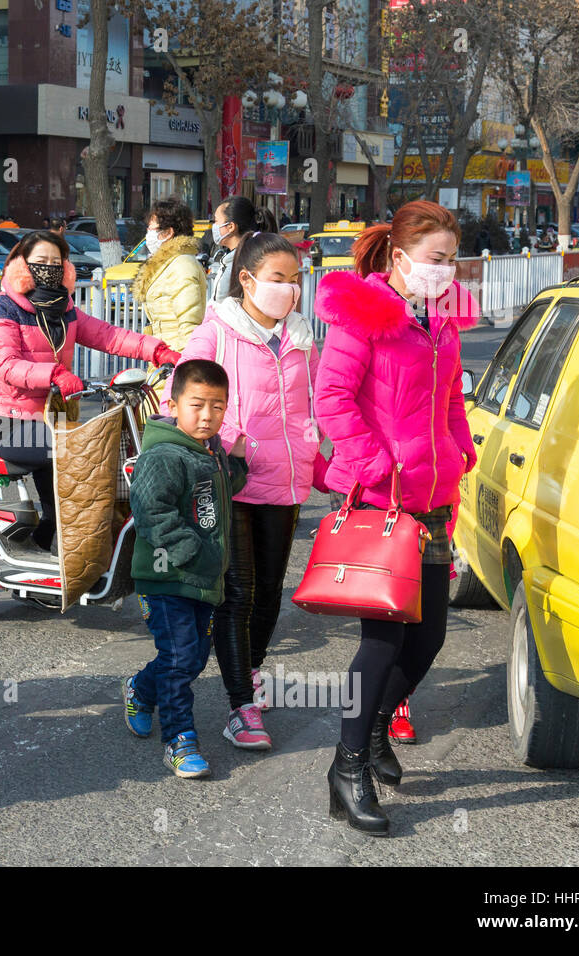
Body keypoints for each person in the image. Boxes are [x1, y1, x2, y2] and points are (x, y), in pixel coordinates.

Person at [313, 199, 478, 835]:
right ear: (402, 258)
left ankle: (377, 727)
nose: (446, 271)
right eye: (437, 260)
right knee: (381, 642)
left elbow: (452, 397)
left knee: (429, 635)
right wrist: (374, 464)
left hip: (434, 496)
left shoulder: (441, 321)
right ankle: (346, 768)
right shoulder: (365, 317)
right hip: (383, 500)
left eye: (452, 260)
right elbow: (330, 398)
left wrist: (460, 448)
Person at [165, 231, 326, 750]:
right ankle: (241, 708)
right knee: (236, 594)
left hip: (286, 481)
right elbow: (183, 395)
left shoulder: (302, 336)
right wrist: (223, 443)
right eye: (278, 279)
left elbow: (319, 406)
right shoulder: (218, 329)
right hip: (226, 479)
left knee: (268, 595)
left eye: (296, 281)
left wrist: (332, 465)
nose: (289, 291)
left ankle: (250, 672)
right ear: (248, 280)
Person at [0, 230, 179, 551]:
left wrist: (157, 350)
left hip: (53, 418)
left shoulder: (65, 308)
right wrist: (54, 374)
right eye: (40, 262)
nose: (49, 268)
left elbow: (108, 335)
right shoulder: (3, 308)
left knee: (81, 475)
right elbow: (6, 365)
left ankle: (50, 546)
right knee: (85, 453)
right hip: (9, 423)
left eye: (56, 262)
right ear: (21, 265)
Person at [123, 359, 248, 778]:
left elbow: (217, 496)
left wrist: (237, 466)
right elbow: (149, 510)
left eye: (218, 406)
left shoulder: (209, 452)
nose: (208, 415)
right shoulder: (164, 454)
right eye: (197, 405)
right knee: (179, 659)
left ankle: (140, 688)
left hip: (202, 578)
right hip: (166, 576)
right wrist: (186, 549)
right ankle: (179, 740)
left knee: (192, 658)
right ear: (173, 404)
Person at [135, 198, 206, 352]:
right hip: (164, 352)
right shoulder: (168, 263)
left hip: (176, 355)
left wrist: (182, 365)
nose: (148, 233)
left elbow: (189, 322)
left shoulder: (182, 265)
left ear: (168, 232)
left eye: (151, 228)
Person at [207, 197, 277, 303]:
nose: (214, 226)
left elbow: (222, 305)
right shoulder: (235, 258)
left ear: (231, 227)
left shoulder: (242, 263)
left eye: (216, 221)